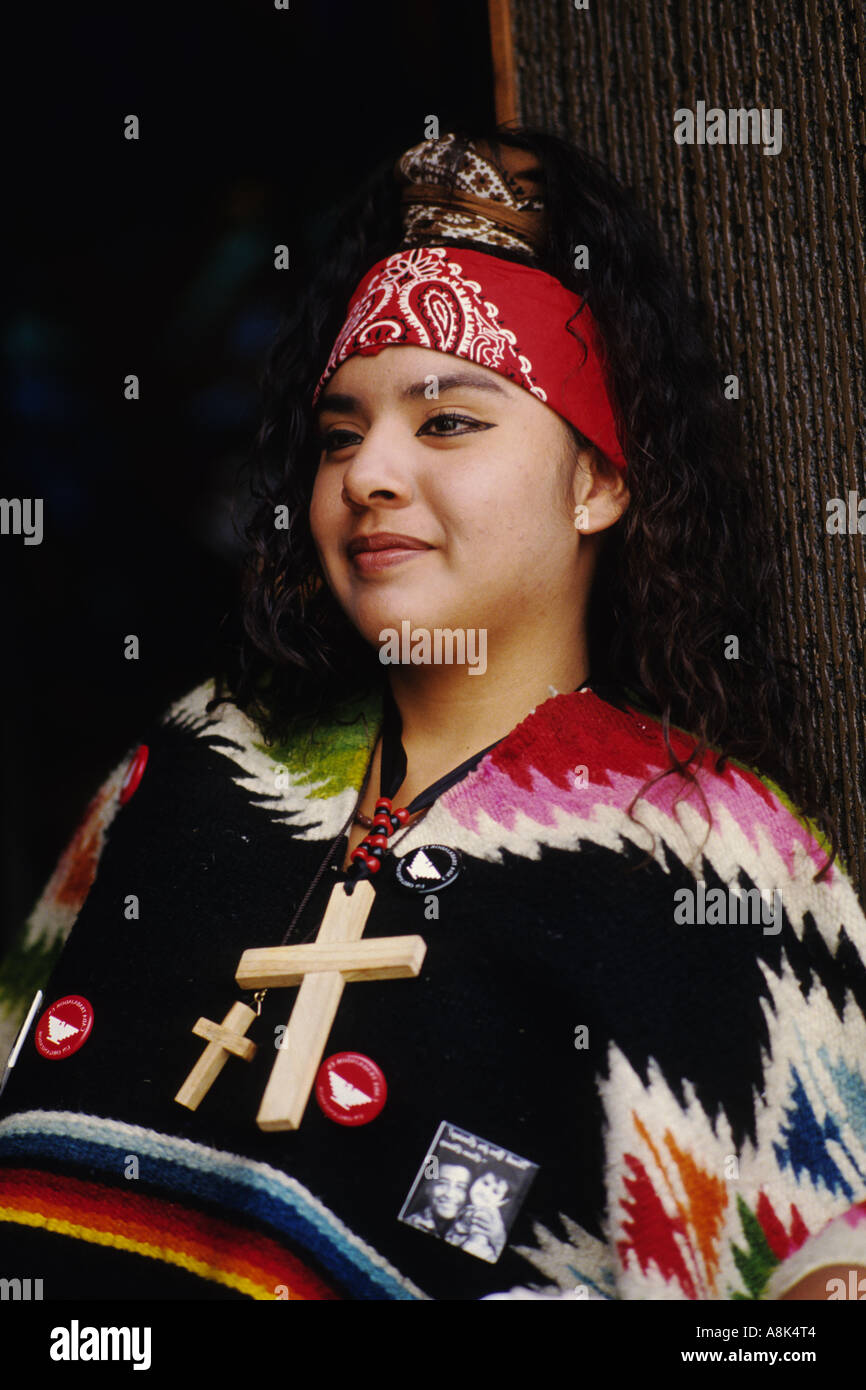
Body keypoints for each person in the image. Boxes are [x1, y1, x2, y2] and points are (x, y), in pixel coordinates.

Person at [1, 127, 865, 1302]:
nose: (367, 474)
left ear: (598, 480)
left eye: (447, 421)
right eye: (340, 434)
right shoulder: (201, 753)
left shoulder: (721, 855)